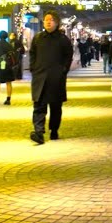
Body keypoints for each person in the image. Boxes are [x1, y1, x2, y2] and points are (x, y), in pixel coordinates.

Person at [29, 11, 73, 144]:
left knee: (55, 106)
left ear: (57, 22)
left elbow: (68, 56)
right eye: (46, 20)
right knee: (39, 105)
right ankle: (39, 132)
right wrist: (33, 68)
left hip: (56, 78)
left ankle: (54, 129)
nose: (48, 22)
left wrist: (63, 70)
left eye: (51, 20)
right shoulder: (38, 38)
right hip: (40, 77)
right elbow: (32, 53)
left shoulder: (63, 39)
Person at [0, 30, 16, 105]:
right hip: (7, 66)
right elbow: (12, 55)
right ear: (6, 36)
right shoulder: (9, 45)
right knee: (8, 82)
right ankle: (8, 99)